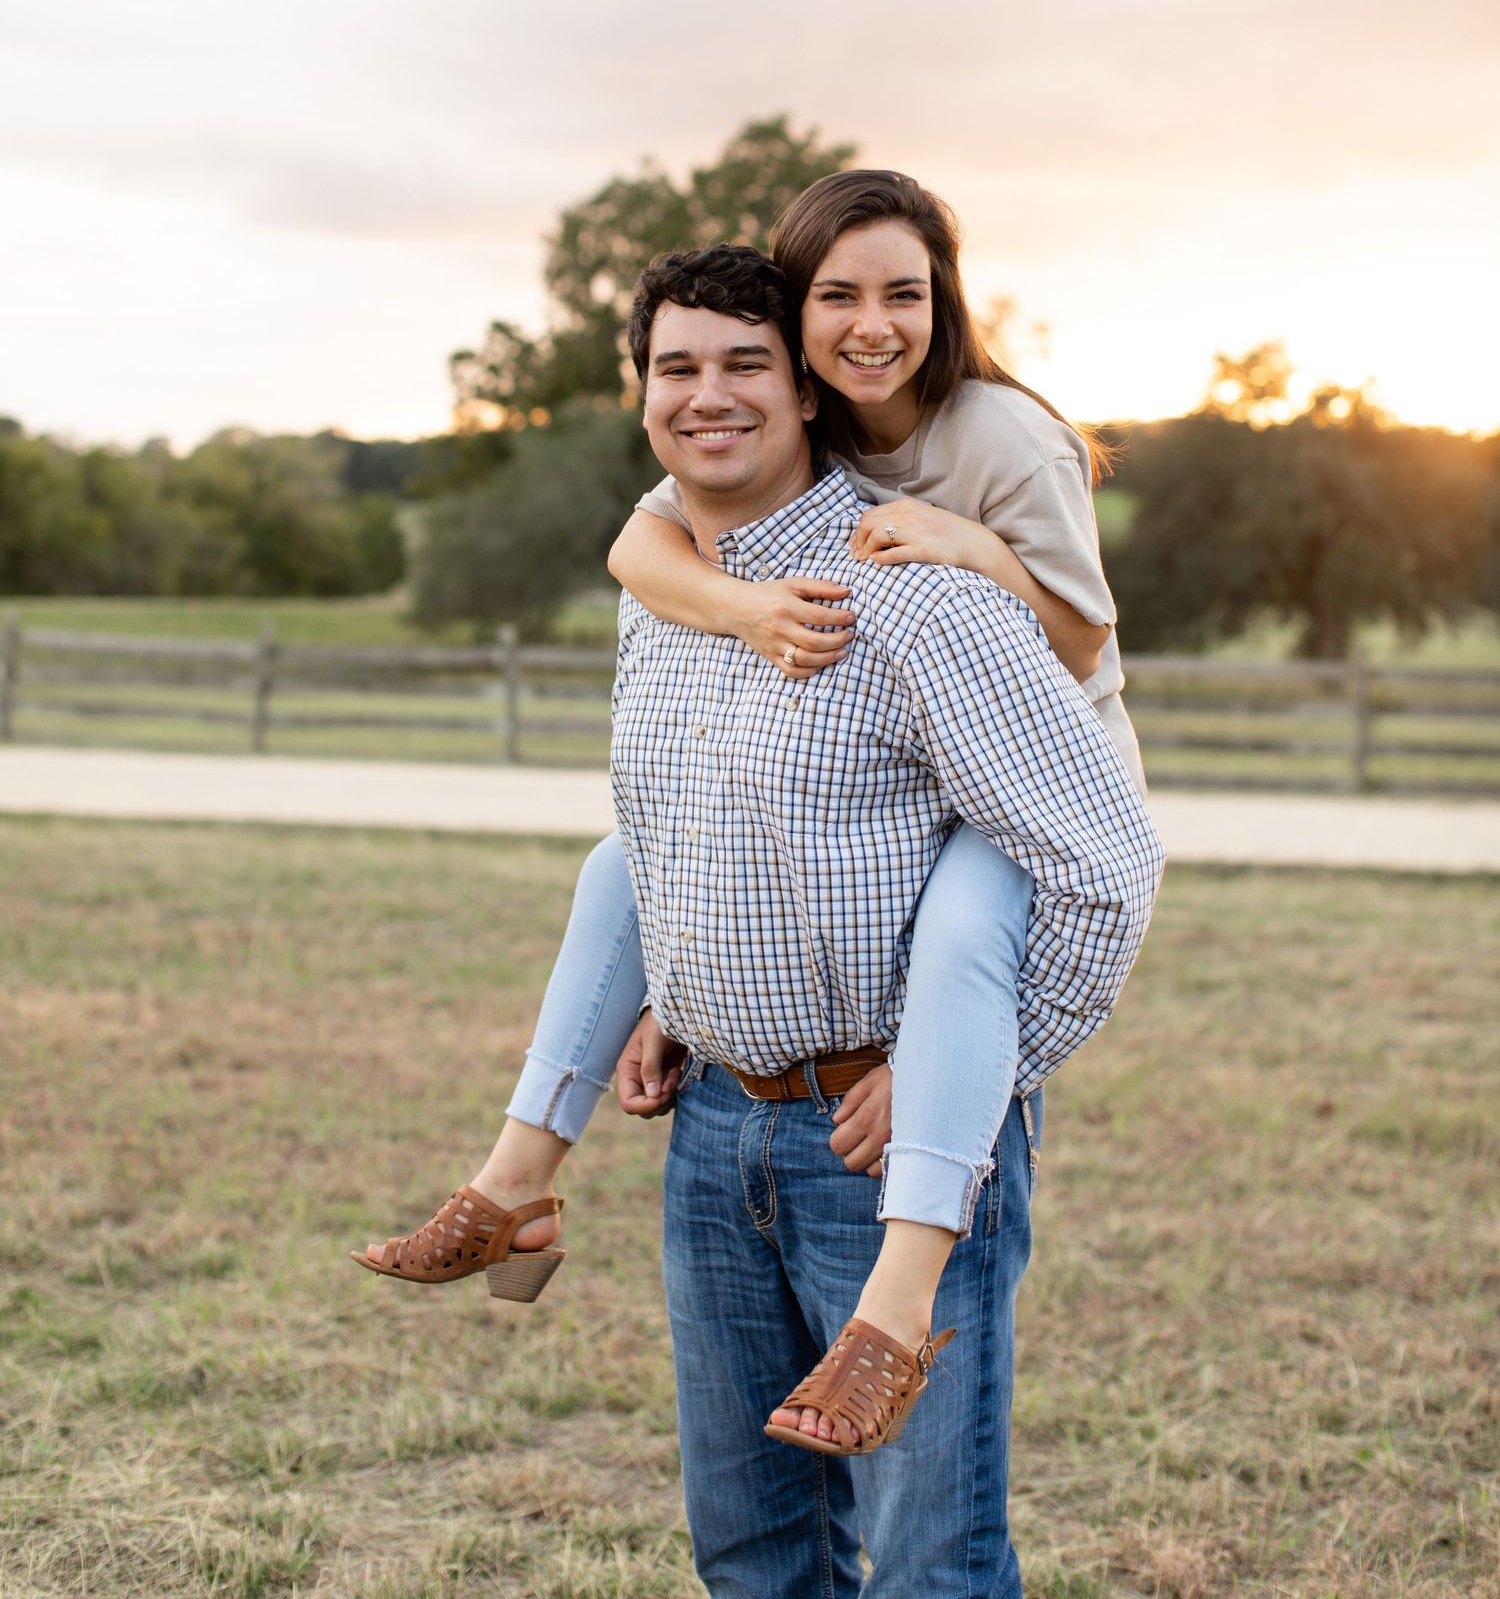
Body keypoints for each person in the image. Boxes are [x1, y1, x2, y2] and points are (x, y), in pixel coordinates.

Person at [354, 174, 1141, 1416]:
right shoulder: (791, 437)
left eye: (903, 293)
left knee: (963, 930)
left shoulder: (1001, 438)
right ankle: (514, 1180)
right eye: (837, 296)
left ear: (944, 301)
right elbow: (637, 544)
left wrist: (978, 551)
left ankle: (899, 1306)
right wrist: (689, 983)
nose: (871, 324)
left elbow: (1085, 645)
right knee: (625, 862)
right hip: (870, 812)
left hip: (1043, 755)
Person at [602, 244, 1161, 1594]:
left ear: (807, 390)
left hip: (884, 1135)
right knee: (752, 1549)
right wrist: (677, 989)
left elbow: (1103, 862)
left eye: (745, 364)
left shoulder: (920, 589)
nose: (707, 395)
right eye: (677, 368)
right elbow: (692, 821)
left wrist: (969, 1072)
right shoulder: (666, 595)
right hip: (713, 1129)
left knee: (927, 1565)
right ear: (642, 394)